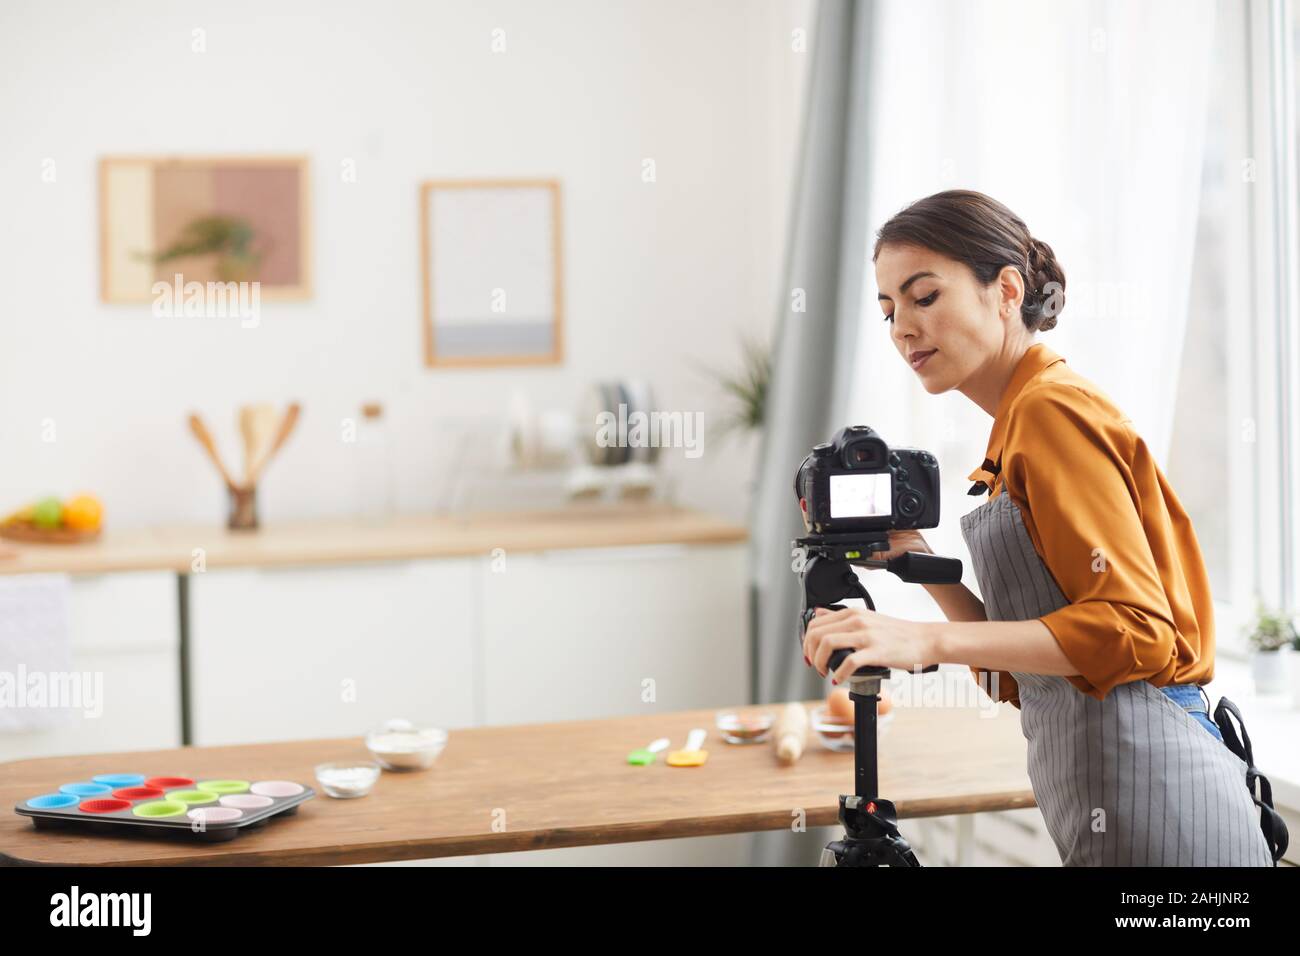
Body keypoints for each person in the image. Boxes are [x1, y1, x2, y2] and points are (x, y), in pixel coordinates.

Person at [802, 189, 1273, 866]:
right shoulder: (1017, 422)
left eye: (924, 296)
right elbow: (1022, 681)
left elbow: (1135, 631)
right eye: (887, 310)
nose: (903, 326)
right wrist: (920, 566)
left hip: (1159, 797)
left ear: (1006, 290)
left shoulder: (1052, 410)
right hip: (1103, 794)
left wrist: (921, 638)